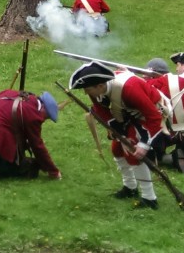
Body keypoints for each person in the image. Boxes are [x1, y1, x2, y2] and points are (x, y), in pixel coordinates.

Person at [69, 61, 167, 210]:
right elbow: (102, 111)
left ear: (100, 86)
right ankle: (130, 187)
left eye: (87, 89)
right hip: (126, 114)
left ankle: (149, 198)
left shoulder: (130, 88)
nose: (85, 93)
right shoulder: (97, 89)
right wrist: (120, 134)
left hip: (149, 114)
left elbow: (154, 117)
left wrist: (144, 144)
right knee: (117, 149)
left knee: (133, 153)